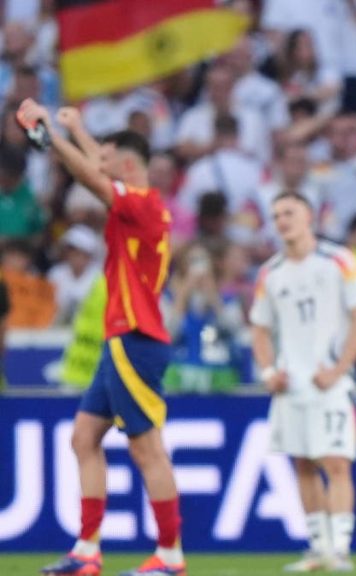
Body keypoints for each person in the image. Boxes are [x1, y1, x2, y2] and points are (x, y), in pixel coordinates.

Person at [18, 99, 185, 576]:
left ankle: (171, 557)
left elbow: (93, 177)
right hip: (122, 340)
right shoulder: (138, 203)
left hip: (137, 339)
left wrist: (53, 134)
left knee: (146, 447)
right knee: (83, 437)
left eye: (108, 159)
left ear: (127, 166)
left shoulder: (142, 207)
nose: (99, 164)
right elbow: (102, 166)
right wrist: (78, 129)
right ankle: (87, 551)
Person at [249, 192, 356, 572]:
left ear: (308, 216)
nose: (282, 220)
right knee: (302, 464)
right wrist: (269, 372)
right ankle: (318, 548)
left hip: (330, 383)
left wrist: (338, 369)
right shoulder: (270, 272)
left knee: (335, 463)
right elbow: (259, 328)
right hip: (292, 385)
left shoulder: (338, 260)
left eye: (289, 212)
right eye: (276, 215)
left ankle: (339, 549)